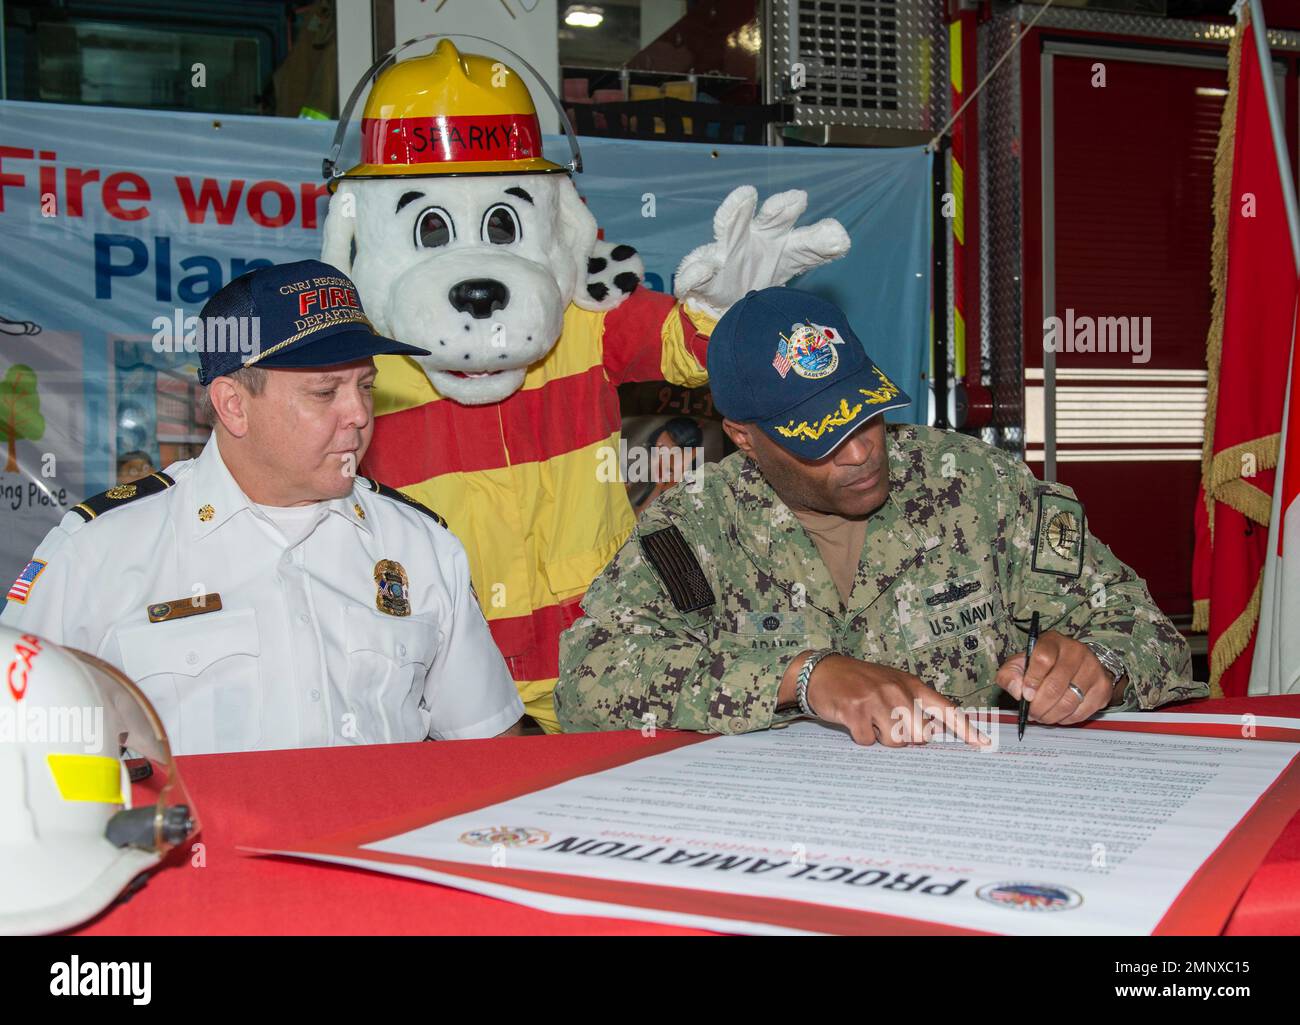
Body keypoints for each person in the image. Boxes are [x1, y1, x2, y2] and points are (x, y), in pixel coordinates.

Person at [555, 287, 1205, 745]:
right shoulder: (690, 534)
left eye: (866, 412)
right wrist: (801, 679)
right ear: (744, 436)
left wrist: (1101, 668)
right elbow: (588, 686)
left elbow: (1155, 639)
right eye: (821, 436)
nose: (864, 450)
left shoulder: (983, 489)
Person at [2, 260, 524, 754]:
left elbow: (486, 748)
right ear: (233, 405)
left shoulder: (421, 545)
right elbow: (18, 747)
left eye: (366, 386)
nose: (359, 414)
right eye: (325, 393)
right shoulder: (97, 553)